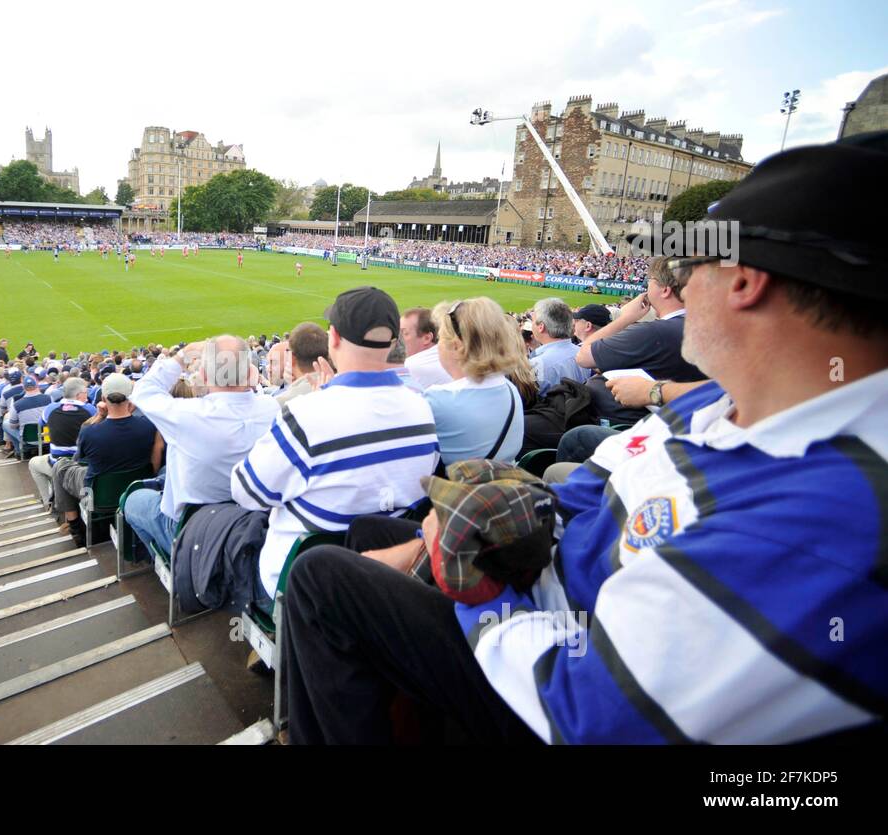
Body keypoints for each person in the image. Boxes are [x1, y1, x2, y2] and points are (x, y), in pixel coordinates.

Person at [281, 137, 888, 745]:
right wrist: (441, 539)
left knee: (319, 579)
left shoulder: (828, 517)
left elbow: (590, 713)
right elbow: (581, 494)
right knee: (370, 536)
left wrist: (470, 577)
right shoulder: (717, 401)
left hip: (550, 672)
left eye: (686, 271)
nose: (664, 298)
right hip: (545, 583)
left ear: (744, 282)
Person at [231, 286, 440, 609]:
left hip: (300, 591)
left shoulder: (307, 415)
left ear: (335, 338)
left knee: (232, 537)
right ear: (394, 342)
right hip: (388, 581)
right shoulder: (423, 410)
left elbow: (246, 492)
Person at [125, 336, 278, 555]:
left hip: (195, 533)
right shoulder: (270, 407)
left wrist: (181, 356)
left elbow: (143, 391)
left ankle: (172, 565)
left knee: (132, 500)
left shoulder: (187, 414)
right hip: (251, 522)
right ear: (248, 372)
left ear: (205, 376)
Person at [576, 257, 706, 424]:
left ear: (665, 290)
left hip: (647, 426)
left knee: (574, 438)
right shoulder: (706, 326)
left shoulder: (655, 332)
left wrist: (625, 317)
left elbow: (583, 356)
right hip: (688, 423)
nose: (646, 287)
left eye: (650, 281)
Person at [49, 374, 161, 544]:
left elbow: (78, 460)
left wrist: (99, 417)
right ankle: (74, 524)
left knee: (61, 465)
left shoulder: (90, 432)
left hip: (97, 494)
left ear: (103, 398)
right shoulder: (148, 426)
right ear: (130, 398)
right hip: (136, 488)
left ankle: (73, 525)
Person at [423, 298, 531, 465]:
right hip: (503, 485)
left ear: (457, 346)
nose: (438, 346)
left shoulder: (438, 400)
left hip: (458, 489)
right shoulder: (509, 388)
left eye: (440, 339)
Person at [27, 378, 96, 507]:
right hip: (82, 464)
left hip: (60, 463)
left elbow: (42, 423)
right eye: (85, 393)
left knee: (33, 463)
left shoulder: (50, 409)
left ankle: (48, 500)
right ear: (79, 394)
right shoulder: (91, 410)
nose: (87, 396)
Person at [528, 297, 590, 396]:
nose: (532, 325)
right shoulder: (584, 353)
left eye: (533, 321)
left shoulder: (537, 363)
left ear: (541, 327)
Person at [400, 307, 452, 390]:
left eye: (404, 333)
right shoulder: (449, 354)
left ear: (427, 338)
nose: (398, 339)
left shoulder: (412, 365)